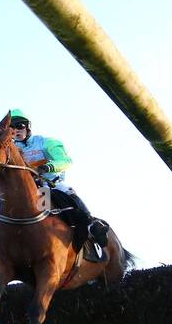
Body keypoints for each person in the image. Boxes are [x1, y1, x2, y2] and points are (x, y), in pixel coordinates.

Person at [9, 109, 111, 262]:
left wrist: (47, 167)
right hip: (28, 190)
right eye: (11, 127)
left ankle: (92, 225)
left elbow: (66, 161)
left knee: (67, 191)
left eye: (19, 125)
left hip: (50, 186)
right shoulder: (11, 150)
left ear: (28, 127)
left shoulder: (46, 142)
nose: (16, 130)